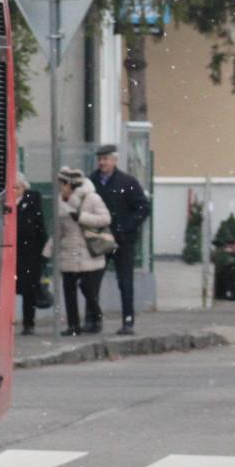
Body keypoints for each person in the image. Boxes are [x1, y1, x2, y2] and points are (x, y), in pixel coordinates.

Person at [91, 143, 151, 335]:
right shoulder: (92, 182)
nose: (102, 163)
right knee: (91, 281)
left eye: (106, 159)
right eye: (100, 159)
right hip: (100, 240)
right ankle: (94, 319)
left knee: (125, 282)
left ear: (115, 160)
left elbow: (143, 207)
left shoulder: (127, 182)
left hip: (122, 241)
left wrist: (127, 227)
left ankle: (128, 321)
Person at [55, 165, 112, 336]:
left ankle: (96, 317)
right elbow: (58, 230)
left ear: (70, 184)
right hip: (69, 252)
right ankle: (73, 326)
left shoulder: (92, 198)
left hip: (89, 252)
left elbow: (105, 219)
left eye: (62, 184)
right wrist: (47, 252)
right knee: (69, 290)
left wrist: (82, 217)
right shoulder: (60, 201)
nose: (60, 187)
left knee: (88, 289)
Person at [14, 173, 51, 334]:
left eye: (18, 187)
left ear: (24, 187)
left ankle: (29, 323)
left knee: (29, 290)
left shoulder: (32, 201)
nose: (15, 191)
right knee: (11, 289)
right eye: (13, 187)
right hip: (12, 254)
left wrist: (43, 254)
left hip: (29, 253)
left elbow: (39, 227)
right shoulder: (7, 203)